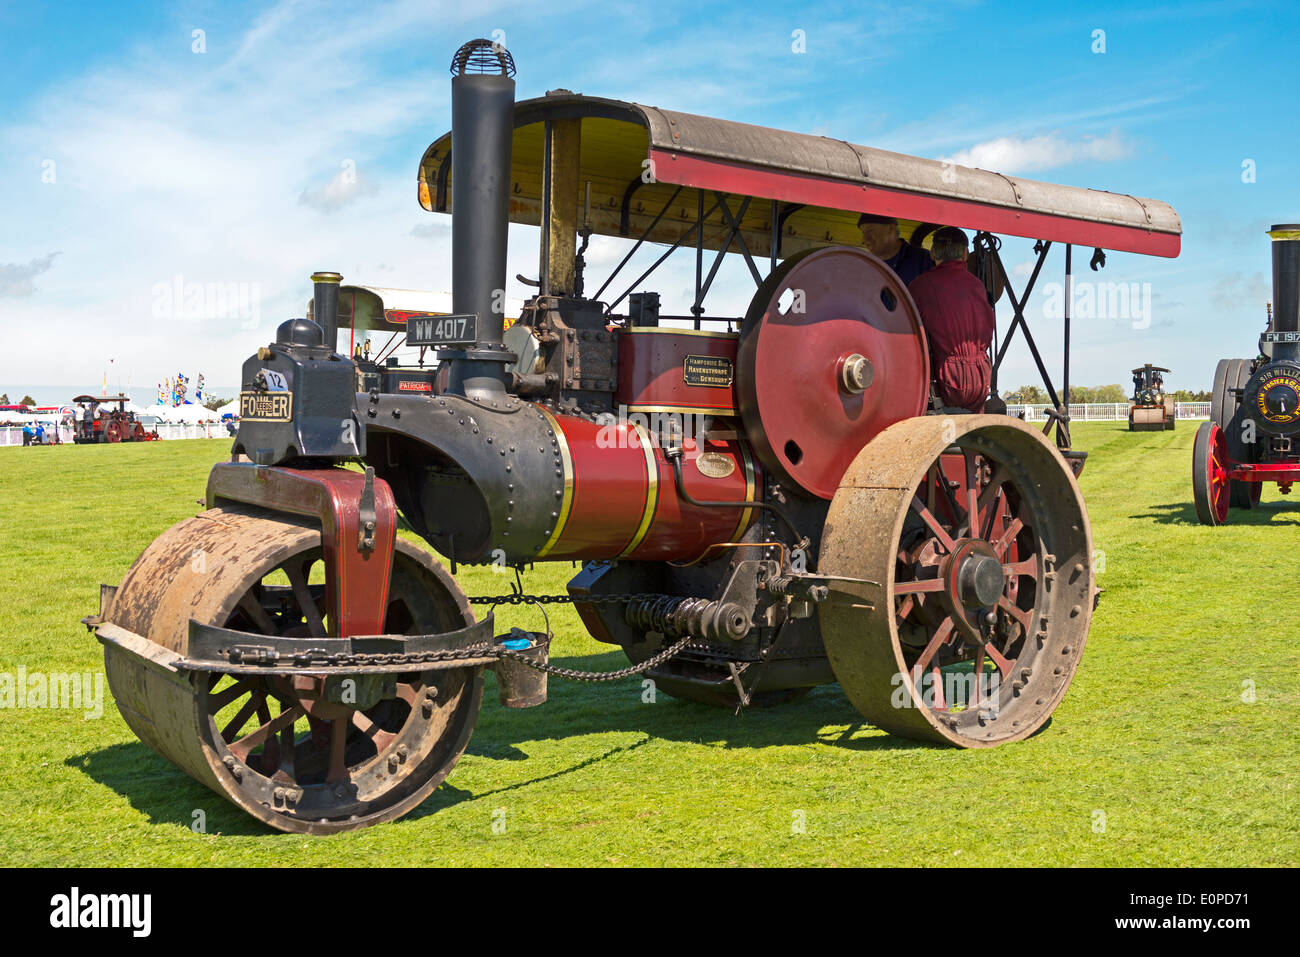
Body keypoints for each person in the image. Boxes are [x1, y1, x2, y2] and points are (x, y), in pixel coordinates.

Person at [907, 226, 996, 413]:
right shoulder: (978, 286)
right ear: (965, 254)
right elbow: (988, 332)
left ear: (932, 254)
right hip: (981, 377)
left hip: (946, 381)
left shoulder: (919, 286)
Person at [858, 212, 934, 286]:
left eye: (870, 230)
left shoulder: (924, 261)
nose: (865, 239)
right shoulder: (866, 267)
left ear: (891, 229)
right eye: (863, 233)